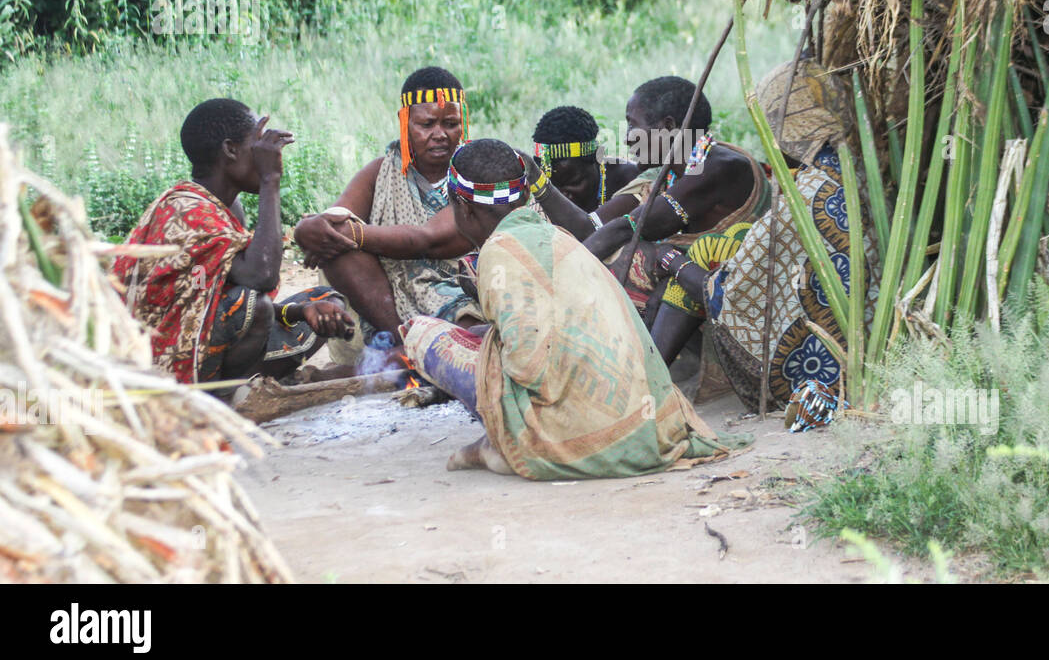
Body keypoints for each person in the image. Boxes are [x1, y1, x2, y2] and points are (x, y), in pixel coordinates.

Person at [399, 139, 750, 479]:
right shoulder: (559, 238)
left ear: (462, 206)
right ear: (522, 196)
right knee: (490, 339)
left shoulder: (500, 251)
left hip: (585, 440)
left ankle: (503, 445)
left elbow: (527, 364)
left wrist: (492, 350)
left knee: (424, 335)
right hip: (652, 431)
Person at [649, 60, 882, 412]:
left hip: (818, 365)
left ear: (786, 122)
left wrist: (674, 262)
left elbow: (726, 293)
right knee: (719, 247)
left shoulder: (806, 195)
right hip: (869, 334)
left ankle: (644, 384)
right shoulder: (863, 170)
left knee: (693, 264)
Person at [113, 99, 354, 385]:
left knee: (325, 300)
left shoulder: (225, 206)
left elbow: (216, 298)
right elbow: (260, 277)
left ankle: (251, 383)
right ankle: (231, 397)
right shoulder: (187, 211)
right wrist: (270, 179)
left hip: (204, 342)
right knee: (254, 305)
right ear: (230, 150)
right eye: (258, 145)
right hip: (161, 366)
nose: (267, 155)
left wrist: (302, 311)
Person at [526, 76, 769, 319]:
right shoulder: (667, 175)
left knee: (633, 258)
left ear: (668, 127)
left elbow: (629, 227)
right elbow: (611, 227)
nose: (627, 137)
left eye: (633, 125)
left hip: (747, 298)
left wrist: (553, 280)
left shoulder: (719, 168)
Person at [293, 67, 480, 363]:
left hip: (458, 292)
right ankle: (405, 344)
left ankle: (423, 350)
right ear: (405, 123)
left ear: (464, 124)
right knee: (338, 253)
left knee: (474, 332)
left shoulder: (477, 172)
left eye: (451, 123)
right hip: (387, 305)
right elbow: (335, 219)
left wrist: (351, 233)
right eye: (427, 124)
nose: (440, 134)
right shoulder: (379, 173)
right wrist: (309, 229)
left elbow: (429, 240)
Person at [529, 105, 640, 213]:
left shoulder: (632, 182)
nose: (561, 197)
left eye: (574, 183)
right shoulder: (544, 198)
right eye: (552, 187)